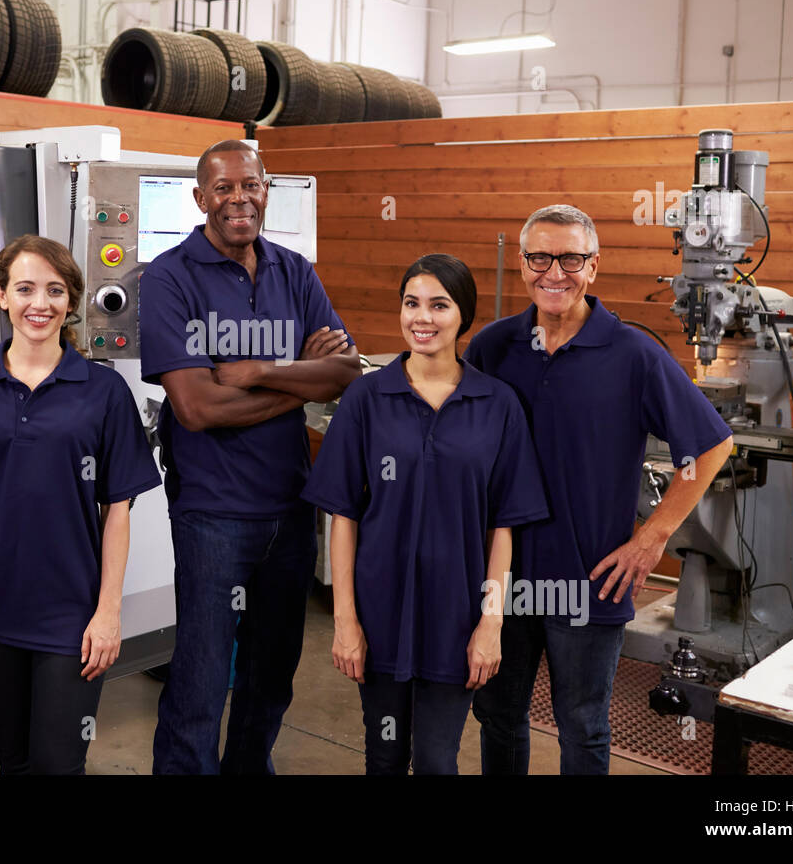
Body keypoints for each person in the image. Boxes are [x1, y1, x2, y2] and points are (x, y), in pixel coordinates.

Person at [465, 204, 734, 775]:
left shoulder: (633, 354)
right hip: (501, 574)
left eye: (570, 258)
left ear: (593, 267)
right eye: (540, 257)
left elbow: (712, 446)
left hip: (590, 579)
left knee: (582, 726)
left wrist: (653, 536)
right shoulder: (494, 348)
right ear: (522, 263)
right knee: (498, 714)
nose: (554, 272)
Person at [139, 139, 361, 774]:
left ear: (267, 190)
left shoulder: (294, 269)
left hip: (292, 506)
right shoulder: (170, 276)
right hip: (213, 513)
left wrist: (260, 371)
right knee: (202, 680)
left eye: (251, 185)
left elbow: (345, 370)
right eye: (224, 188)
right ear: (201, 197)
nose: (239, 198)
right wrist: (300, 383)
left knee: (272, 673)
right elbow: (196, 409)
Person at [301, 254, 548, 774]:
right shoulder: (366, 398)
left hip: (455, 618)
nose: (423, 317)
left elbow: (504, 526)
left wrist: (490, 623)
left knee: (438, 759)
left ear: (463, 316)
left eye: (439, 305)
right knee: (384, 754)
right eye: (412, 303)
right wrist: (345, 620)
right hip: (379, 612)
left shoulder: (498, 404)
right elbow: (342, 516)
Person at [0, 235, 160, 774]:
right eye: (24, 288)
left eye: (54, 290)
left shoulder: (103, 391)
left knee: (58, 764)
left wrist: (108, 612)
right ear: (1, 295)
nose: (38, 303)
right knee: (14, 759)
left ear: (70, 301)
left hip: (71, 614)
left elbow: (118, 508)